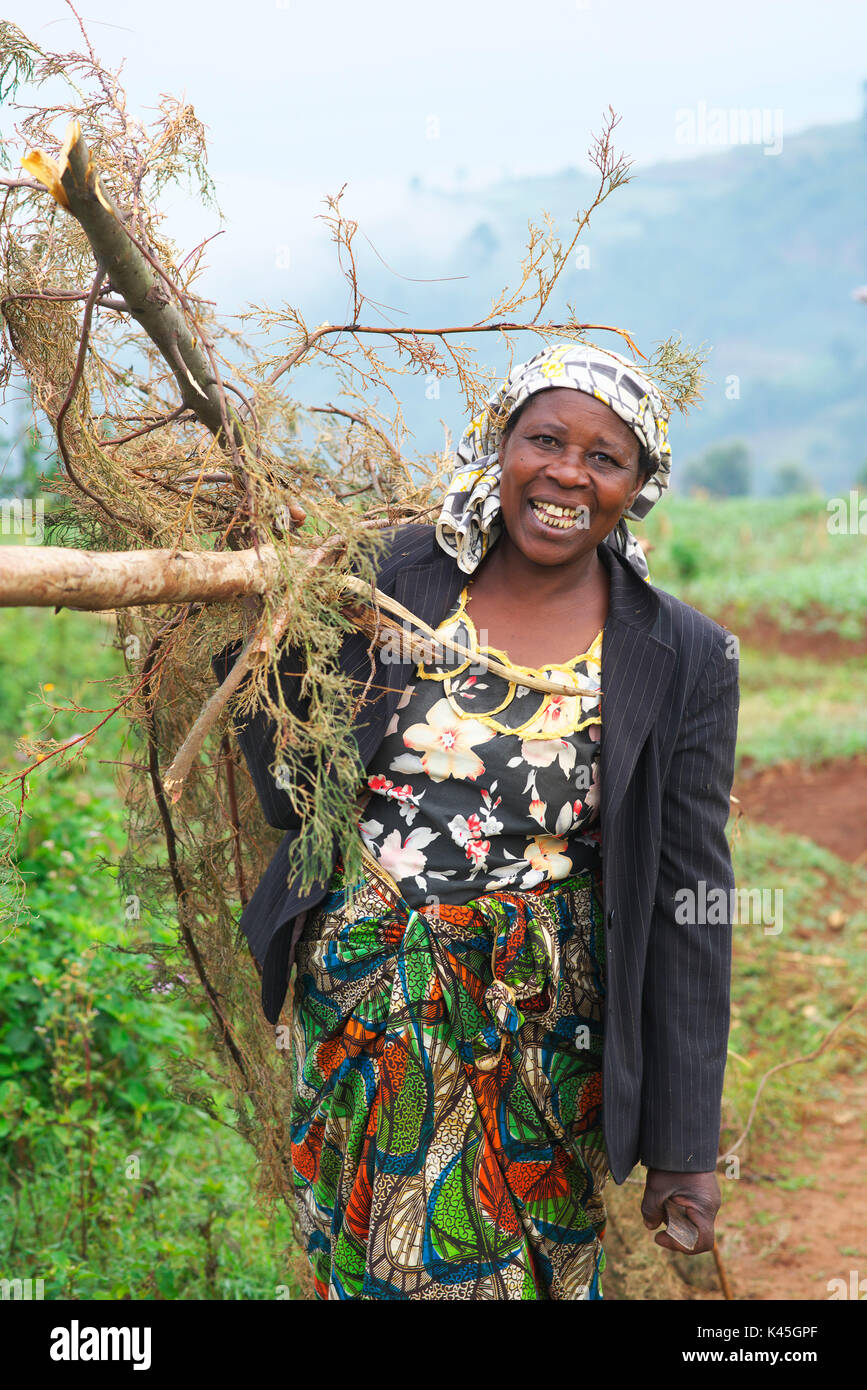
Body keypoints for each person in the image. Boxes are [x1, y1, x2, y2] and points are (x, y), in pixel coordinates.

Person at [211, 342, 740, 1301]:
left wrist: (684, 1147)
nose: (567, 473)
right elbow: (296, 796)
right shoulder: (382, 578)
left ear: (638, 486)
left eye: (605, 457)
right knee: (373, 1265)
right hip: (367, 1001)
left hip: (541, 1034)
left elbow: (688, 899)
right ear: (500, 445)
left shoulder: (681, 654)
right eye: (544, 440)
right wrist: (263, 625)